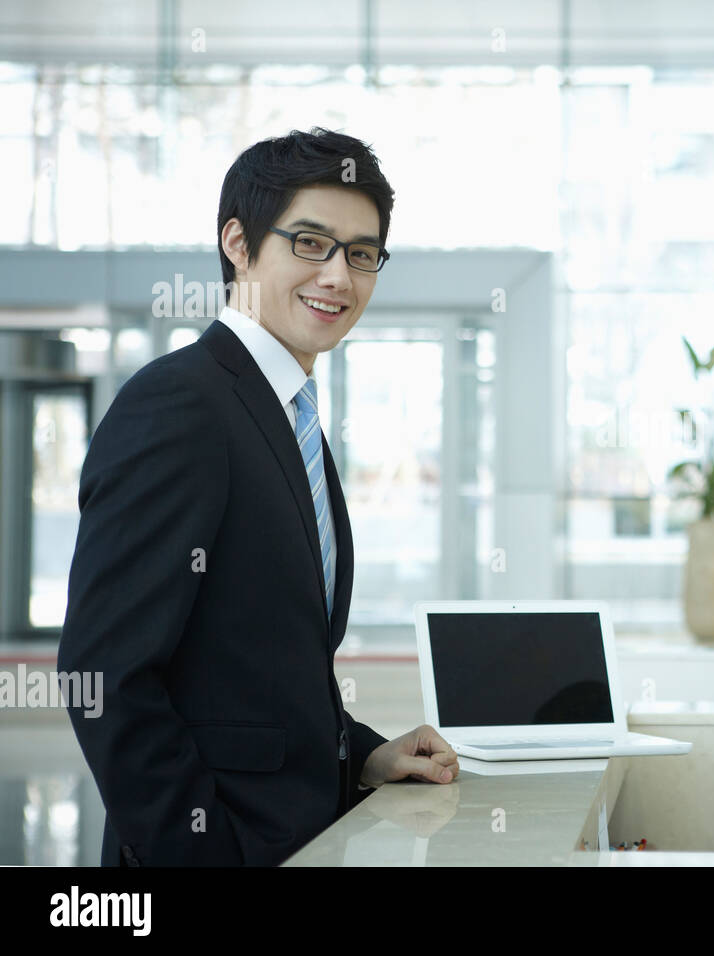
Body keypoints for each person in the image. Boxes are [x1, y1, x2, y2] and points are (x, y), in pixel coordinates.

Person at [59, 127, 459, 867]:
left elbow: (255, 669)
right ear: (239, 244)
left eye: (362, 253)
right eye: (310, 243)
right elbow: (105, 677)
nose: (339, 276)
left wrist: (364, 757)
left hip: (306, 839)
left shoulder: (287, 412)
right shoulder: (181, 406)